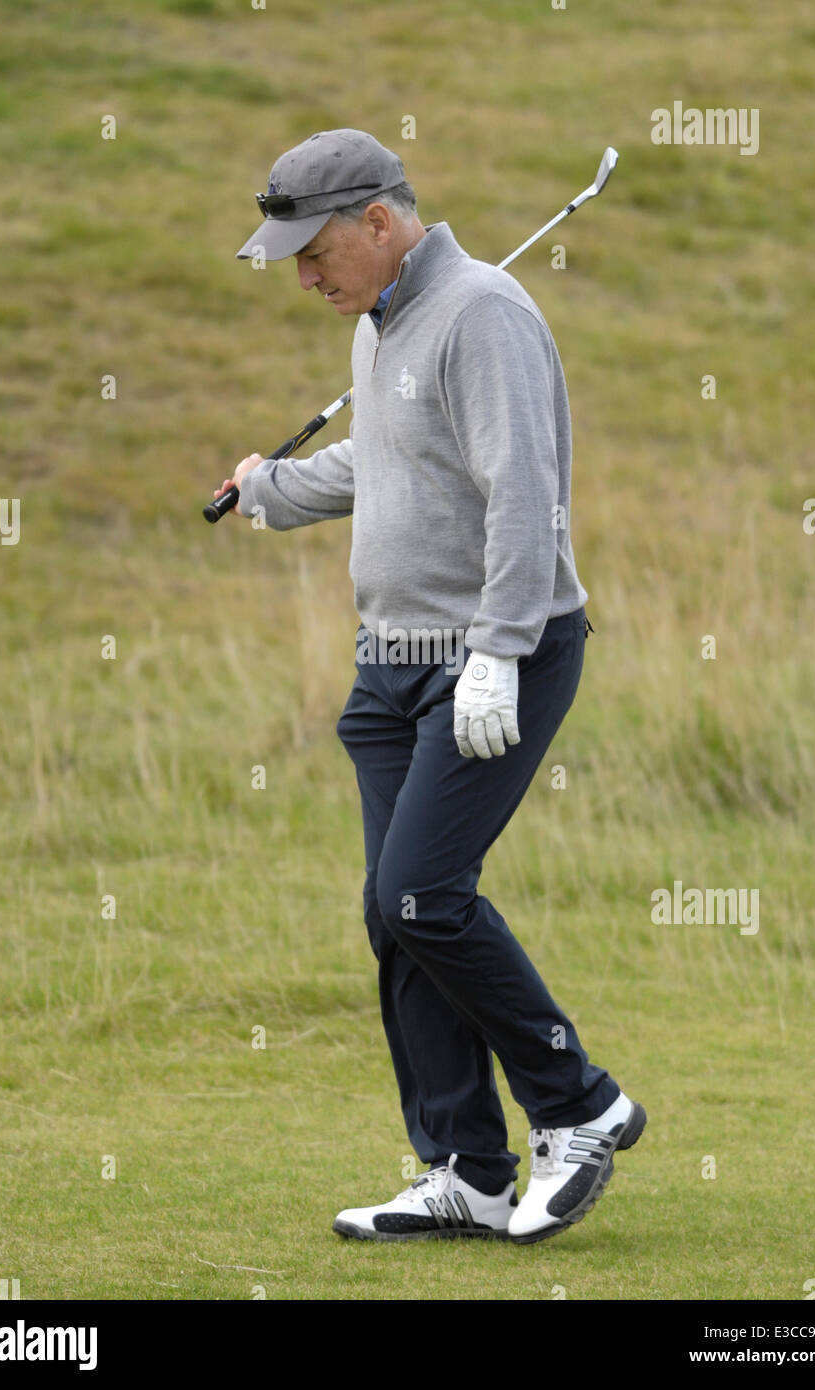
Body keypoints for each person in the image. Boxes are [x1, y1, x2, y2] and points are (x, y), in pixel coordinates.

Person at [217, 128, 645, 1244]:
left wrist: (499, 648)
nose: (303, 276)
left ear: (377, 220)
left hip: (489, 653)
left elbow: (523, 491)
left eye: (312, 252)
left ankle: (579, 1106)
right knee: (390, 914)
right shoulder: (381, 322)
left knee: (422, 892)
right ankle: (466, 1167)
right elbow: (390, 459)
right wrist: (277, 488)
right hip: (391, 663)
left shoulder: (484, 314)